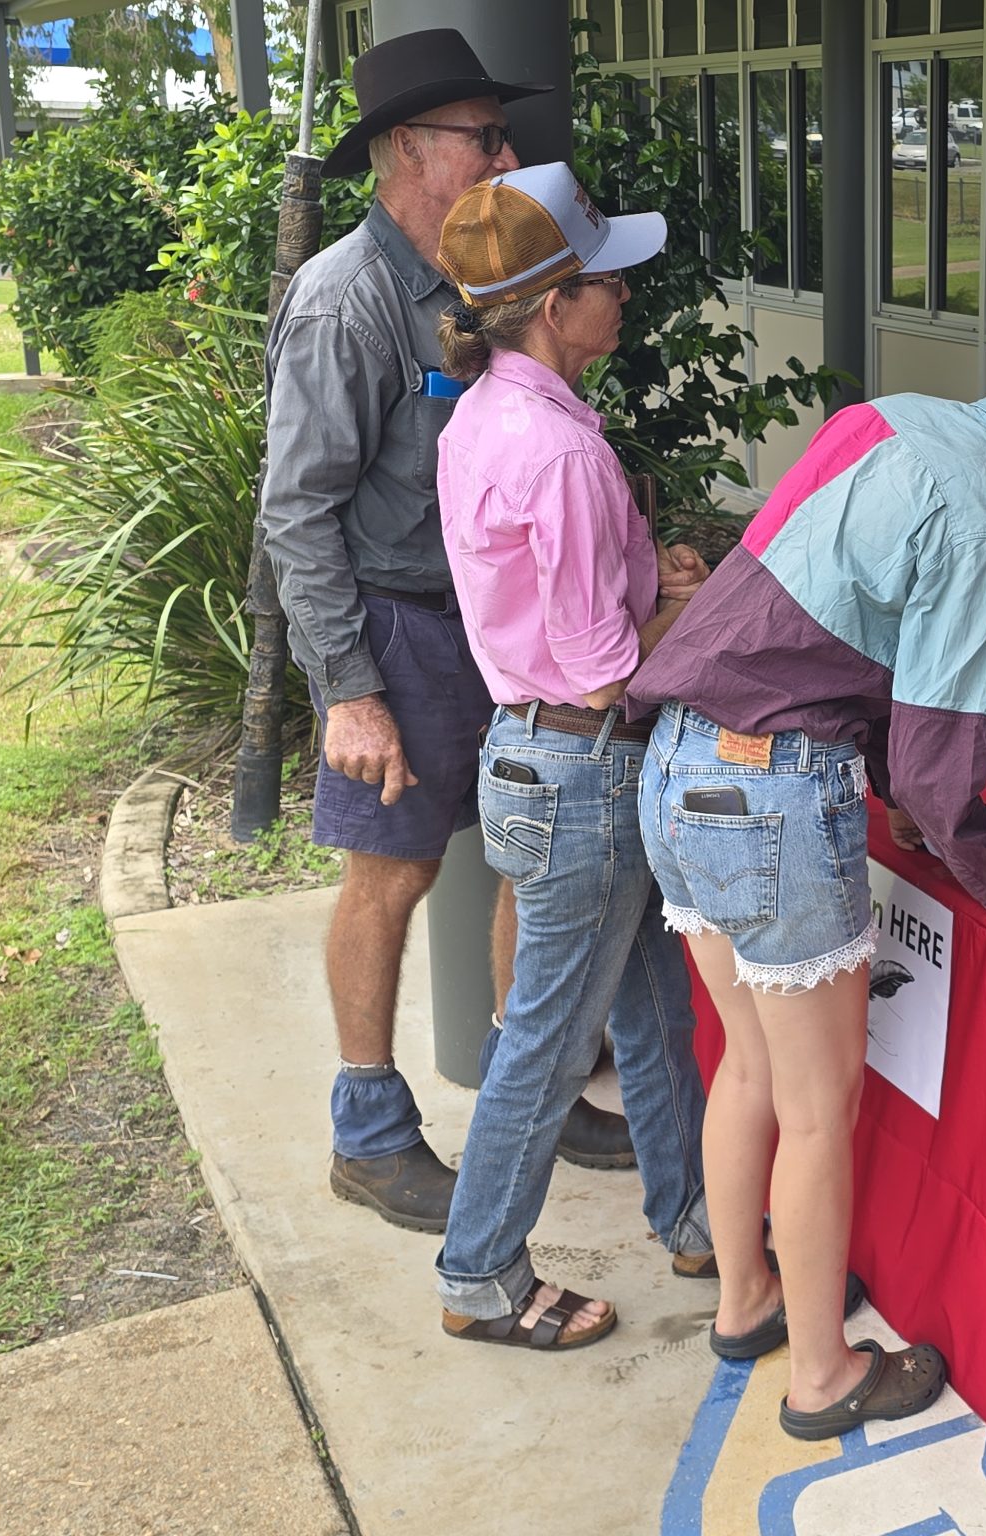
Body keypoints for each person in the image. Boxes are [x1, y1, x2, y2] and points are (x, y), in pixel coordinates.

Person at [631, 349, 986, 1436]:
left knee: (748, 1064)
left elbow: (842, 642)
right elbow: (938, 769)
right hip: (782, 795)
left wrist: (906, 799)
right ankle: (821, 1376)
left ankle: (747, 1298)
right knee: (817, 1111)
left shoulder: (897, 416)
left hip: (678, 768)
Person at [260, 29, 633, 1236]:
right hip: (394, 625)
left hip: (486, 628)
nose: (506, 153)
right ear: (405, 150)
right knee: (394, 872)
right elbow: (297, 511)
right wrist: (347, 692)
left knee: (530, 852)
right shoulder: (344, 300)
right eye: (483, 135)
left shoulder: (480, 277)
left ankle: (543, 1085)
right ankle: (368, 1132)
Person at [427, 162, 714, 1348]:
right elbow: (607, 666)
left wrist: (654, 585)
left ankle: (697, 1212)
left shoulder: (483, 416)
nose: (626, 299)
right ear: (553, 307)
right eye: (608, 282)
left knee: (647, 1009)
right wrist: (688, 610)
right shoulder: (564, 454)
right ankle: (480, 1275)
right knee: (545, 1045)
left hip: (534, 756)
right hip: (585, 762)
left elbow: (560, 622)